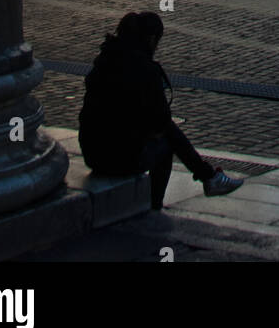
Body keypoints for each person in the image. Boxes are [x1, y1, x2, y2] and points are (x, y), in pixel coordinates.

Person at [79, 12, 243, 209]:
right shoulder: (144, 69)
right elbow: (161, 120)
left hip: (92, 152)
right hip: (117, 159)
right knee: (166, 142)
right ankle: (157, 204)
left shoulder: (105, 60)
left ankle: (208, 176)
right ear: (151, 39)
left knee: (164, 131)